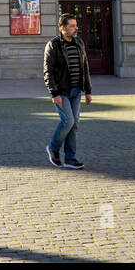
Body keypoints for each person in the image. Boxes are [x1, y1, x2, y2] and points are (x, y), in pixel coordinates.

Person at [43, 15, 92, 169]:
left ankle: (70, 158)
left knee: (74, 124)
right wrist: (54, 93)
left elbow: (85, 67)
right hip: (61, 91)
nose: (76, 28)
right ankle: (53, 147)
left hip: (76, 90)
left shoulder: (79, 42)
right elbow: (48, 71)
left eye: (76, 25)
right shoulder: (53, 45)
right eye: (72, 26)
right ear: (62, 28)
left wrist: (88, 90)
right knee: (68, 121)